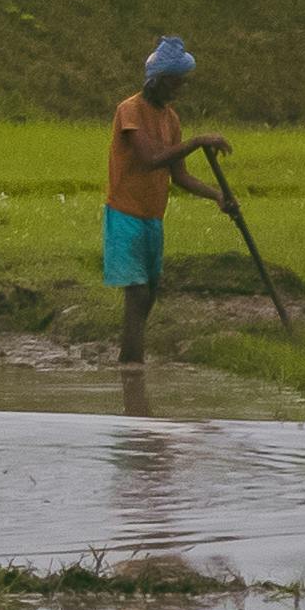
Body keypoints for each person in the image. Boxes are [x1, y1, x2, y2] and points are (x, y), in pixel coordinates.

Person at [104, 37, 227, 367]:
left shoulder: (171, 119)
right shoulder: (129, 111)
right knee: (138, 293)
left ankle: (130, 360)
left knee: (150, 295)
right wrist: (199, 141)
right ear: (156, 81)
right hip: (125, 214)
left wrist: (217, 195)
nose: (179, 90)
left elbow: (180, 176)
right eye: (175, 83)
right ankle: (131, 367)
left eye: (182, 83)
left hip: (153, 217)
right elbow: (150, 158)